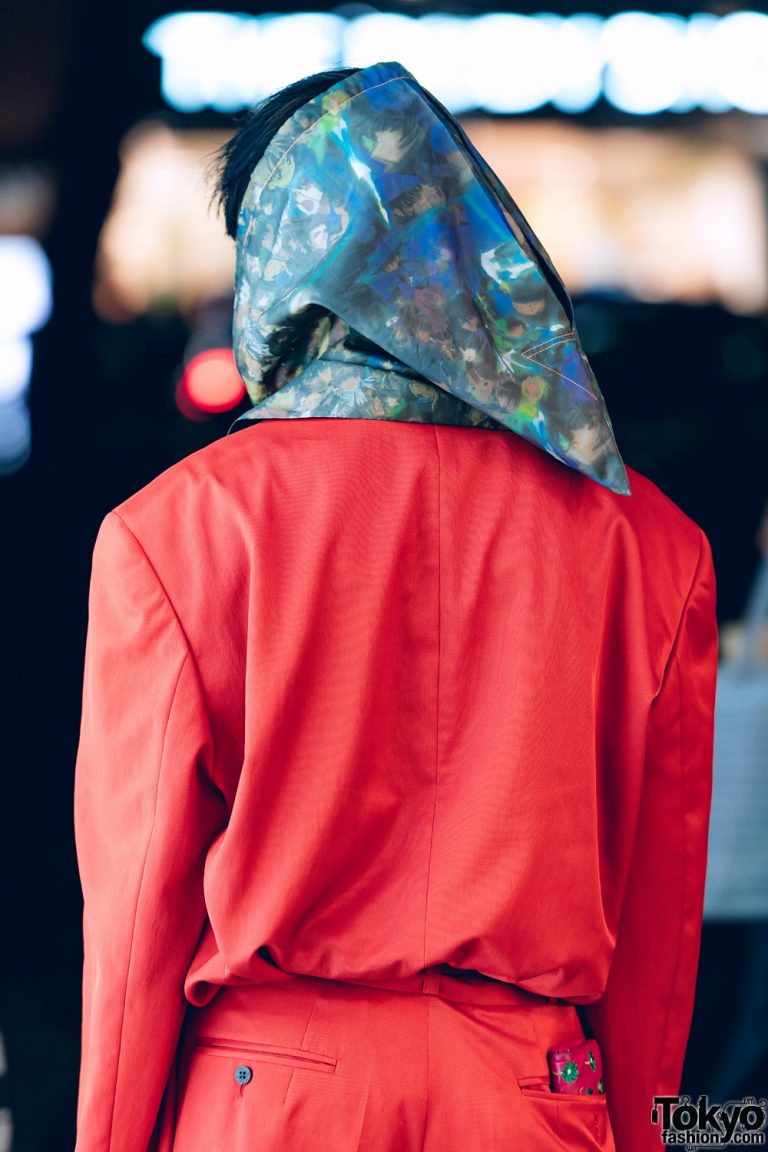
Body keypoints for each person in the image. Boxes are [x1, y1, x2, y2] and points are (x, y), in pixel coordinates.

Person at [73, 62, 718, 1152]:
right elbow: (659, 953)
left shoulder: (173, 533)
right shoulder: (652, 544)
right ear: (467, 238)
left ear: (280, 261)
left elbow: (138, 927)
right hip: (534, 1099)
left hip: (267, 1105)